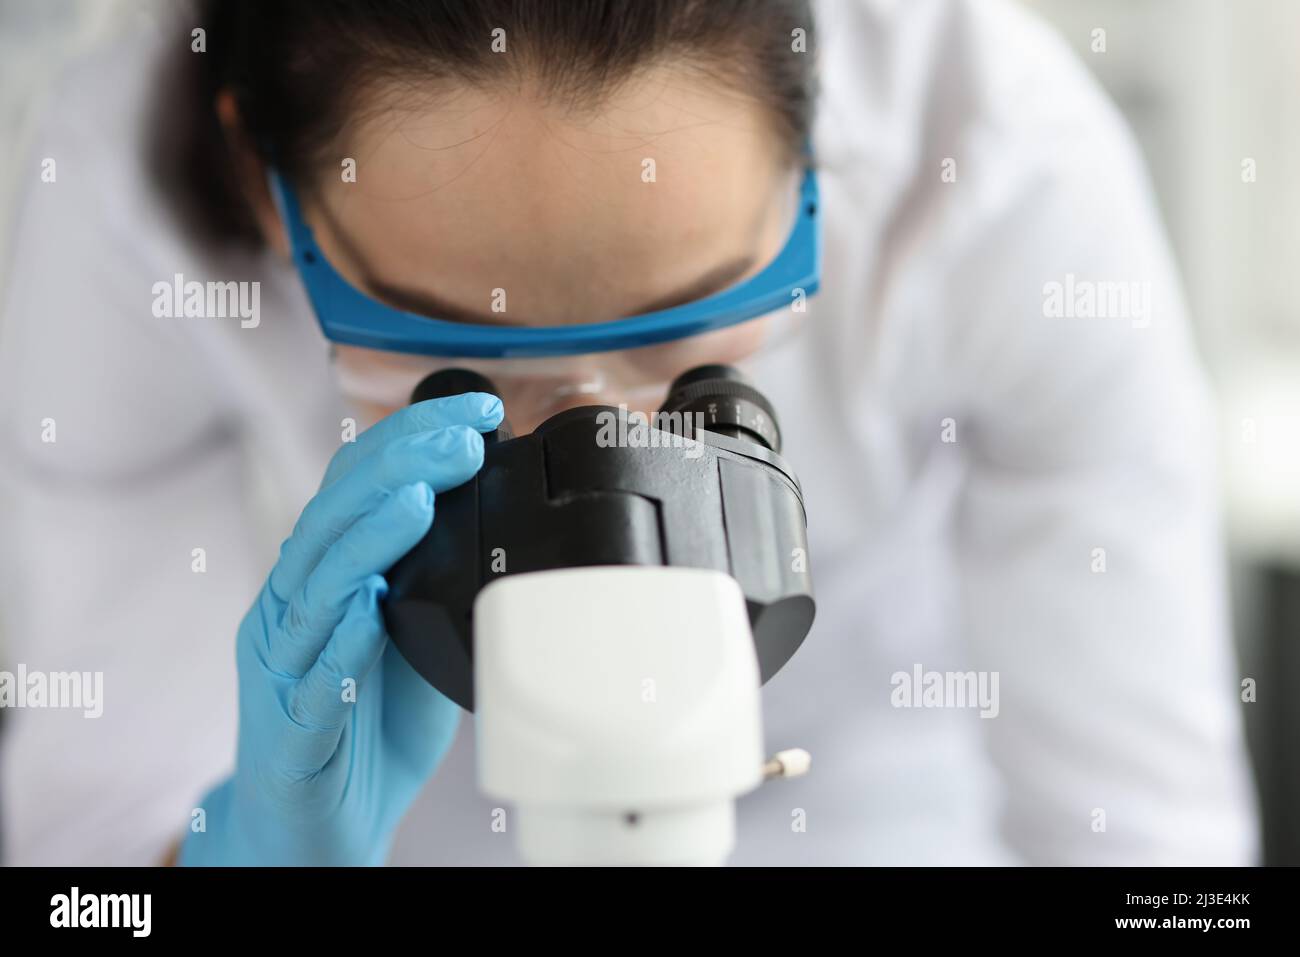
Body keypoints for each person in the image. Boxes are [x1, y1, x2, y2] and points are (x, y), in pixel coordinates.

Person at [0, 0, 1258, 866]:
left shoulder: (1001, 170)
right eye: (457, 349)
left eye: (685, 331)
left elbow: (1154, 854)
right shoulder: (120, 209)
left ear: (814, 155)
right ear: (274, 203)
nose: (594, 438)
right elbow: (86, 874)